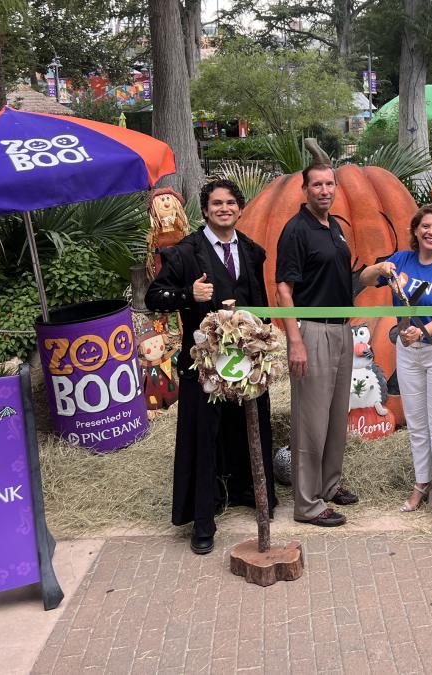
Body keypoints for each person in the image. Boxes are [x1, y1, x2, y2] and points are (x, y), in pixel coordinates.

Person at [145, 179, 276, 555]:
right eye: (216, 203)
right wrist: (189, 295)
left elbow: (260, 304)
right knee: (204, 435)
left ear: (239, 208)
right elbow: (155, 297)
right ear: (205, 210)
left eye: (231, 203)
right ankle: (203, 520)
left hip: (246, 360)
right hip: (203, 364)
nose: (224, 208)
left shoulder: (250, 251)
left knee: (250, 423)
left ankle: (245, 490)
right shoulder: (187, 252)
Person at [358, 204, 432, 534]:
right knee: (417, 423)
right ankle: (422, 484)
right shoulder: (401, 261)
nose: (431, 232)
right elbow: (363, 279)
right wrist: (380, 266)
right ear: (416, 231)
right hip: (408, 352)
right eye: (426, 227)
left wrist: (424, 331)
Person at [276, 162, 360, 527]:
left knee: (335, 414)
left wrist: (372, 274)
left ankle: (329, 484)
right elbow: (283, 288)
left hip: (341, 330)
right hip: (312, 330)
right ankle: (307, 503)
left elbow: (341, 279)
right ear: (305, 189)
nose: (324, 190)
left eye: (330, 184)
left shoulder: (335, 226)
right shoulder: (296, 230)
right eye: (317, 185)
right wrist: (295, 340)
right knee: (311, 419)